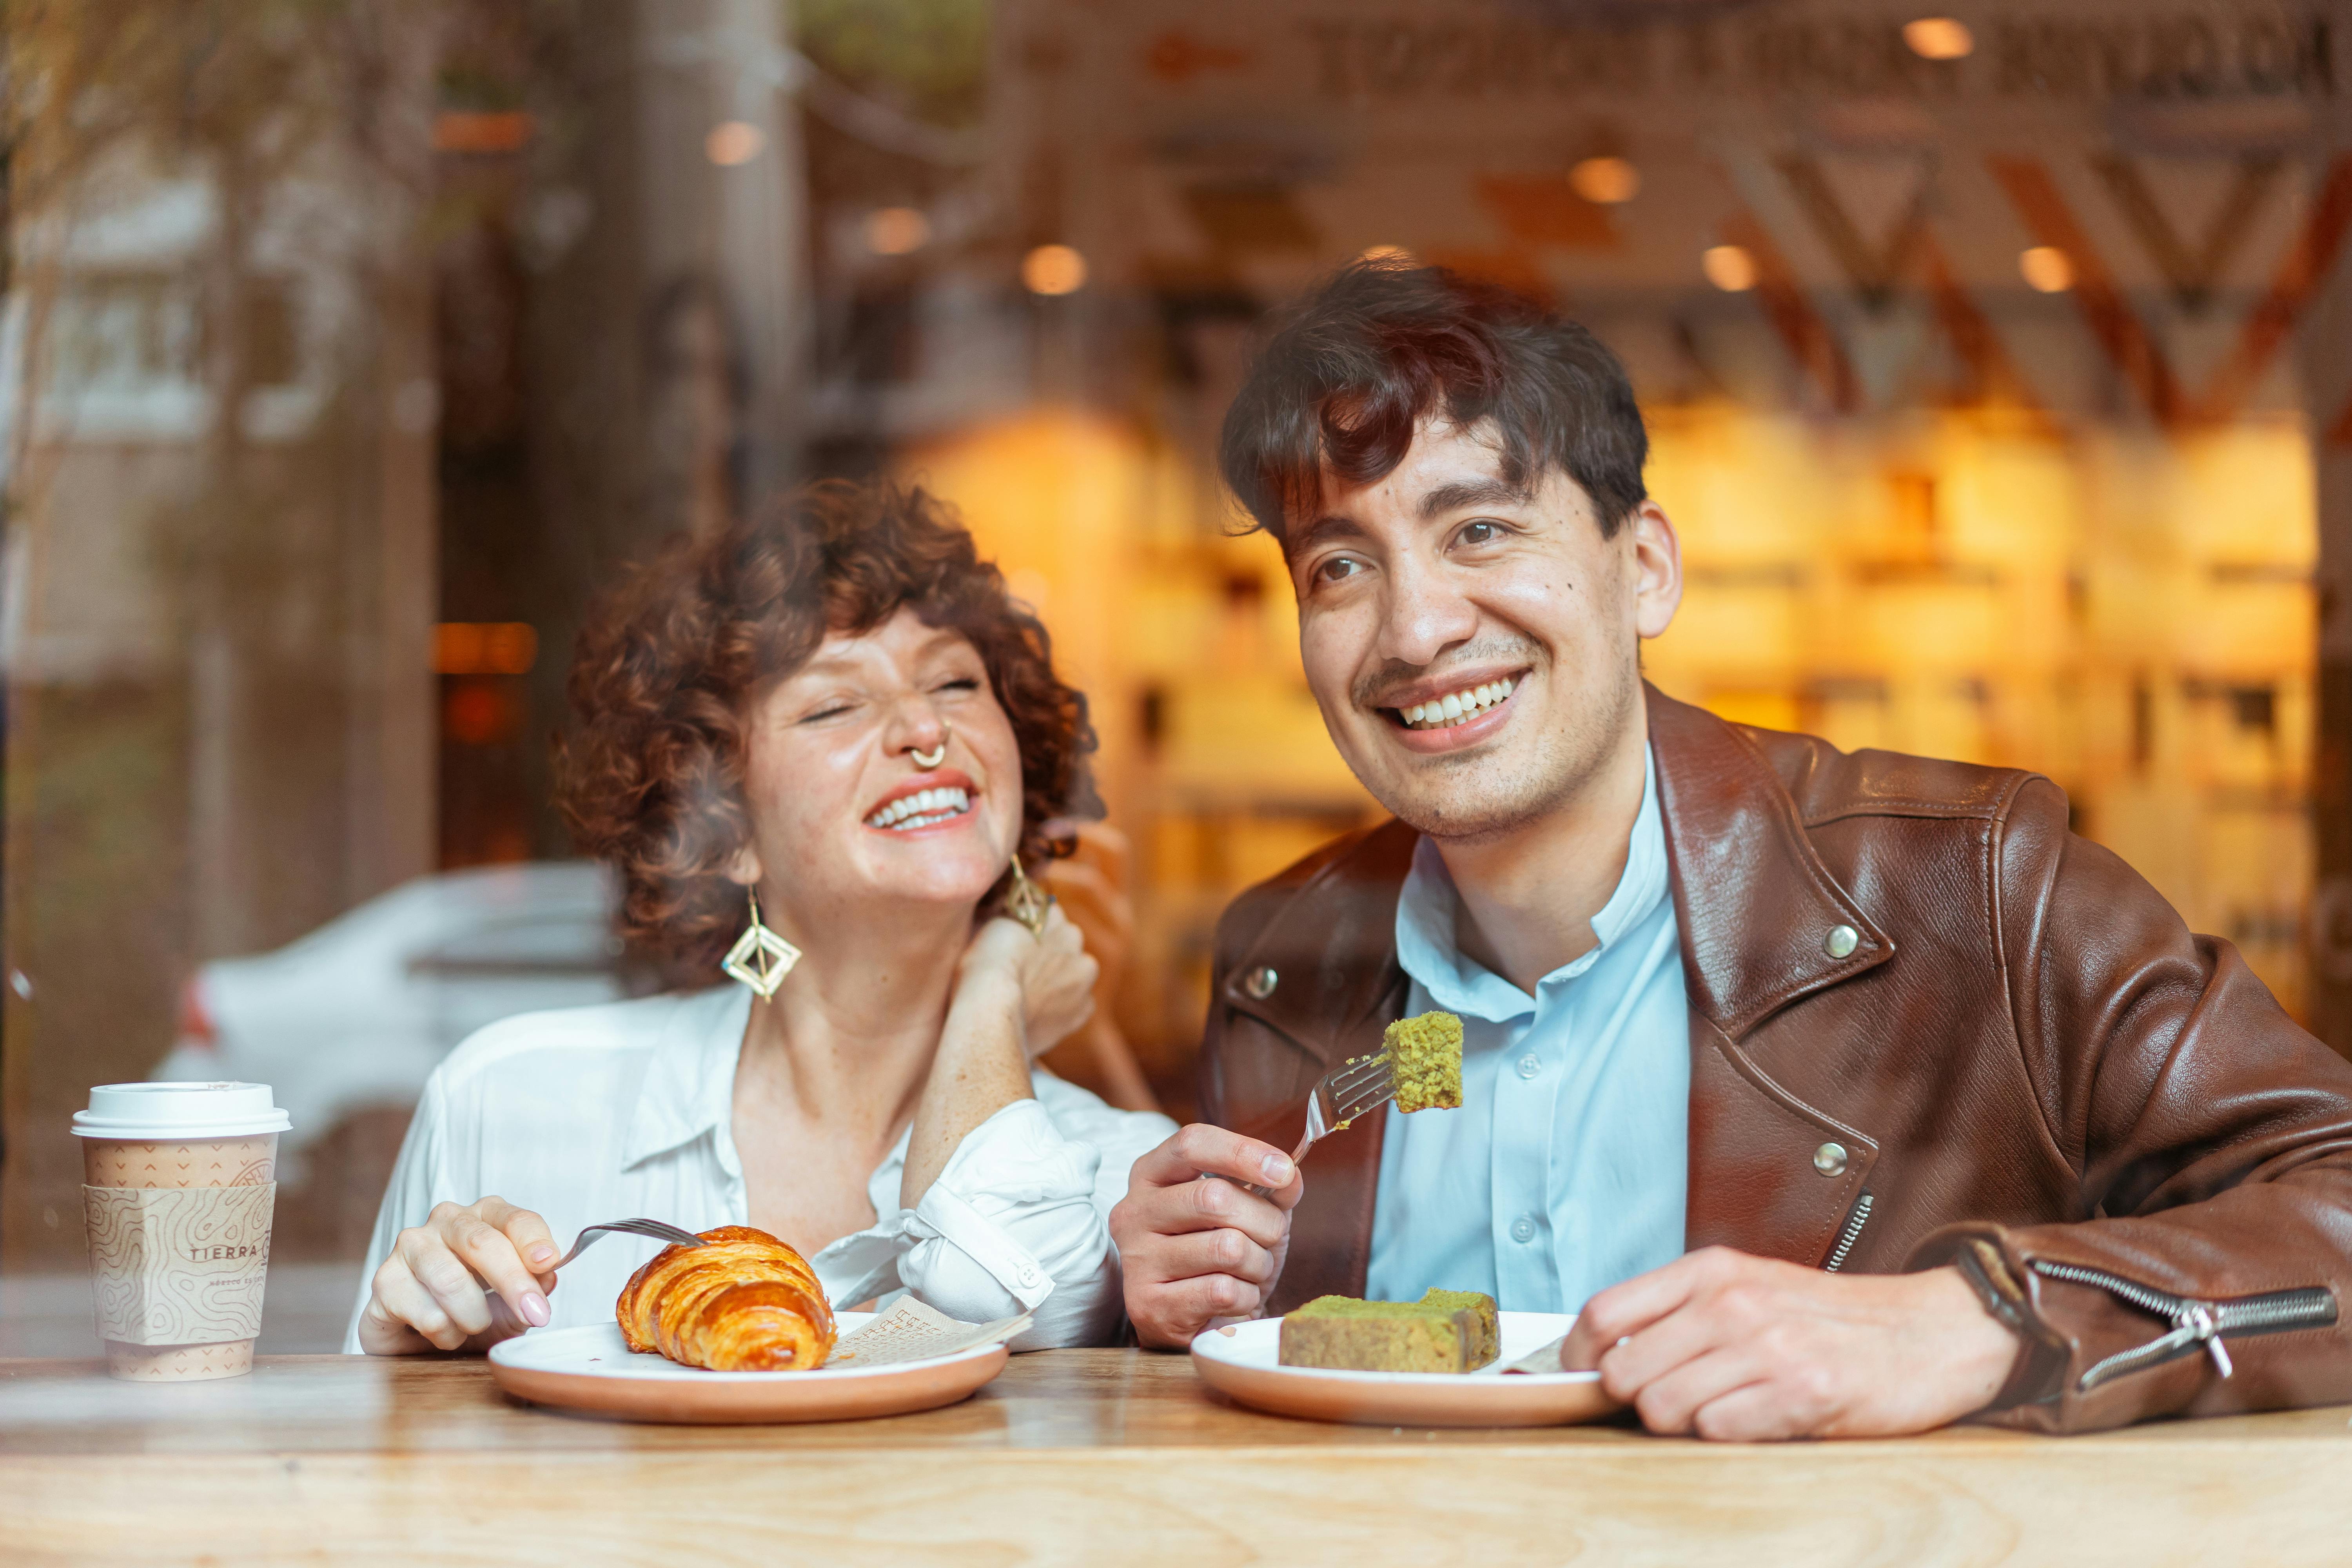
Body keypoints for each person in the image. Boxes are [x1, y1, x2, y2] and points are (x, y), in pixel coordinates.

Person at [1109, 259, 2352, 1437]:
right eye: (1340, 566)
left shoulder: (1971, 888)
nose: (1419, 626)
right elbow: (1266, 1385)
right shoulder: (1284, 960)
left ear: (1644, 570)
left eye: (1480, 530)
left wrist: (1973, 1321)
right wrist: (1173, 1292)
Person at [349, 479, 1174, 1355]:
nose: (926, 726)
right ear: (730, 834)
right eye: (834, 704)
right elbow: (370, 1469)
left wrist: (995, 981)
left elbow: (986, 1292)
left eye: (957, 681)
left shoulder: (1117, 1173)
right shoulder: (506, 1099)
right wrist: (412, 1364)